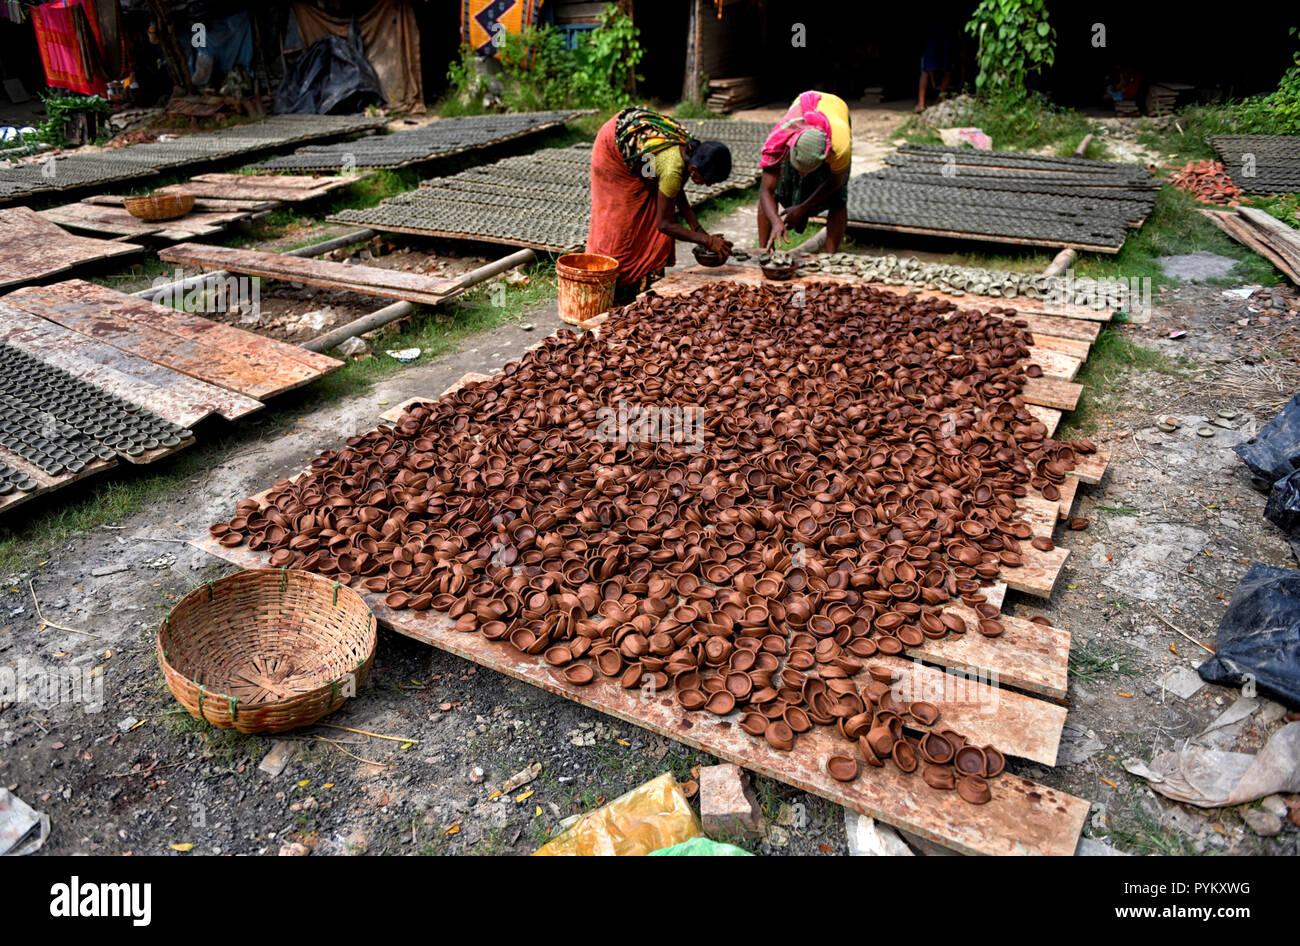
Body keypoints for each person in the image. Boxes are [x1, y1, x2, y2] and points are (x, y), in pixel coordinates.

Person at [587, 105, 733, 295]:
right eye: (707, 182)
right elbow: (665, 224)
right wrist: (706, 241)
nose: (708, 187)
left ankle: (645, 277)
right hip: (612, 148)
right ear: (695, 170)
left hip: (639, 145)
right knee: (624, 221)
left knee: (654, 204)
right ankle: (614, 282)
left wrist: (698, 230)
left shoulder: (689, 150)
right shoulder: (672, 168)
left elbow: (675, 190)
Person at [757, 90, 851, 253]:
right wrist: (776, 221)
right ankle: (762, 251)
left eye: (808, 171)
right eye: (799, 169)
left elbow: (836, 182)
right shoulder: (778, 140)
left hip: (837, 109)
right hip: (803, 117)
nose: (802, 176)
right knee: (774, 192)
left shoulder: (840, 147)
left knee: (838, 199)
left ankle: (831, 257)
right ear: (790, 149)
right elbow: (767, 190)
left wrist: (803, 208)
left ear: (824, 157)